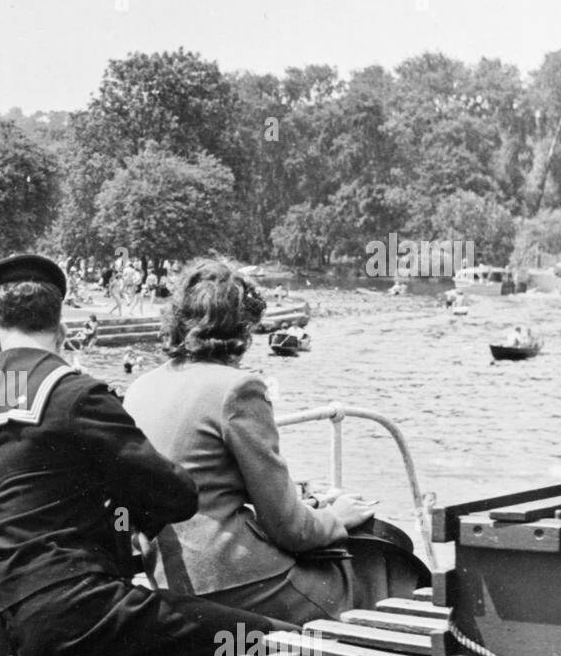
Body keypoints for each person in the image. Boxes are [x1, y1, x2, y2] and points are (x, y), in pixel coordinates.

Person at [0, 253, 291, 656]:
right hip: (94, 618)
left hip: (29, 636)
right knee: (289, 650)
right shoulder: (75, 395)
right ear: (62, 330)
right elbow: (178, 497)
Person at [124, 260, 399, 626]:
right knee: (383, 565)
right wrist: (335, 517)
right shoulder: (238, 389)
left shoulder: (141, 387)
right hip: (237, 581)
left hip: (172, 578)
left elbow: (206, 482)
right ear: (242, 330)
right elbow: (289, 528)